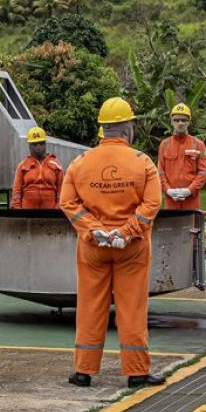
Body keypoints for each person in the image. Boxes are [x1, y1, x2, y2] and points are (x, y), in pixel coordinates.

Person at [61, 97, 166, 388]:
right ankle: (136, 372)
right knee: (131, 307)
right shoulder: (142, 162)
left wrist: (94, 229)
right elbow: (152, 203)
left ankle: (83, 371)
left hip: (93, 247)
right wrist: (126, 231)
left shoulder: (80, 163)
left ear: (103, 129)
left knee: (90, 305)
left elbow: (67, 202)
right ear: (128, 128)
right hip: (131, 248)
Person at [157, 103, 206, 210]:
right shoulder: (164, 144)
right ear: (171, 122)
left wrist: (190, 190)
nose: (180, 123)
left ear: (189, 122)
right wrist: (167, 190)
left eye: (184, 120)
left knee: (192, 226)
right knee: (172, 226)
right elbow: (160, 171)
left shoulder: (199, 144)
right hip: (171, 200)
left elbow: (203, 172)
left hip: (191, 200)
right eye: (176, 120)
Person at [11, 127, 65, 209]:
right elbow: (16, 191)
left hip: (50, 211)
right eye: (35, 144)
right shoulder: (23, 166)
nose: (38, 147)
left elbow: (61, 189)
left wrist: (59, 206)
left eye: (41, 143)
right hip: (27, 211)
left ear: (45, 144)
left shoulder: (56, 165)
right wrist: (16, 207)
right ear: (29, 145)